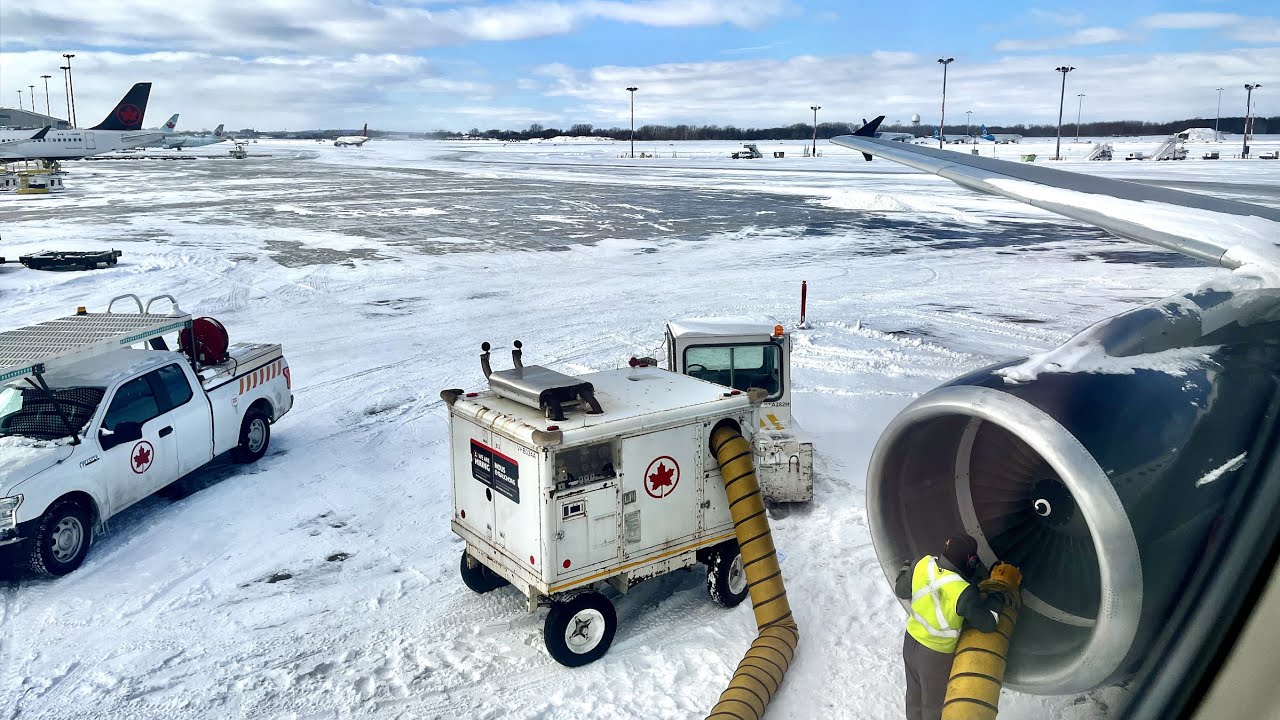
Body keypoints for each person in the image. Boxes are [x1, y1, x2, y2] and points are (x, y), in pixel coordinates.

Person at [895, 534, 1007, 720]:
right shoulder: (963, 591)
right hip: (935, 656)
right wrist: (997, 598)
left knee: (914, 698)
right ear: (970, 561)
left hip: (911, 642)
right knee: (934, 708)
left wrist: (906, 569)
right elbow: (988, 623)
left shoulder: (922, 563)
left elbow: (901, 590)